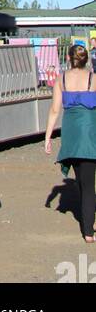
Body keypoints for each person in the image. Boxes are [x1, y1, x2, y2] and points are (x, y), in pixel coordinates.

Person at [45, 42, 96, 242]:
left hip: (72, 133)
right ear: (86, 60)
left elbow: (55, 110)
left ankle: (87, 222)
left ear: (68, 59)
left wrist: (48, 136)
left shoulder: (61, 79)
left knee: (82, 181)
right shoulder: (93, 78)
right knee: (89, 182)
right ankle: (88, 231)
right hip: (90, 132)